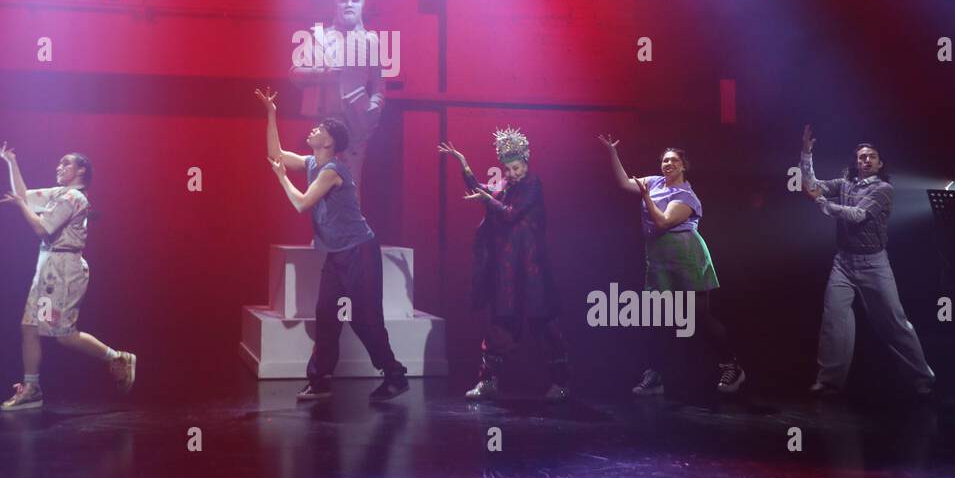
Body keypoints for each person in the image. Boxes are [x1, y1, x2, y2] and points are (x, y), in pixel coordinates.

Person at [256, 87, 408, 401]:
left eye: (319, 129)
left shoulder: (333, 171)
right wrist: (271, 113)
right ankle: (321, 379)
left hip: (360, 252)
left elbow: (301, 204)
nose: (312, 131)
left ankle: (395, 374)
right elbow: (276, 154)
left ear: (329, 142)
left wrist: (282, 177)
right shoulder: (313, 163)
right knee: (327, 315)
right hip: (336, 256)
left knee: (365, 320)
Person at [0, 143, 135, 411]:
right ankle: (32, 388)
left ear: (82, 170)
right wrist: (11, 161)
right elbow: (22, 194)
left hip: (64, 269)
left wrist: (22, 206)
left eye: (66, 163)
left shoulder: (74, 198)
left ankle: (118, 358)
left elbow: (42, 229)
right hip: (48, 266)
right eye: (59, 164)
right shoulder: (60, 193)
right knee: (30, 327)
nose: (59, 167)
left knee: (63, 334)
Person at [600, 135, 745, 395]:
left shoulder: (685, 195)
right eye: (665, 160)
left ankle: (731, 365)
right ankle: (655, 375)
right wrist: (612, 153)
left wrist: (646, 198)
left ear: (683, 165)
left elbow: (664, 222)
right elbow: (623, 183)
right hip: (659, 258)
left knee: (700, 317)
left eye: (674, 160)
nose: (668, 164)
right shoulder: (654, 182)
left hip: (686, 255)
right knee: (658, 320)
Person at [800, 125, 934, 396]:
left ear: (879, 162)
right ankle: (829, 381)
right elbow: (813, 186)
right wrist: (806, 154)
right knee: (834, 320)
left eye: (871, 156)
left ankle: (922, 378)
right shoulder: (847, 182)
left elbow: (857, 215)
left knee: (894, 322)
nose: (866, 160)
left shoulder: (884, 189)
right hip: (844, 263)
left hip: (873, 263)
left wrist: (823, 204)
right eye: (862, 156)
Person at [440, 128, 570, 401]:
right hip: (508, 270)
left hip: (531, 269)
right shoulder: (505, 188)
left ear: (526, 164)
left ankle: (559, 383)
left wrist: (488, 199)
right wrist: (463, 164)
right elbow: (482, 191)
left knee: (543, 323)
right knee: (499, 324)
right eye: (508, 169)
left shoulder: (533, 186)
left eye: (516, 167)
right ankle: (488, 381)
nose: (512, 173)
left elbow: (510, 214)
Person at [289, 0, 385, 197]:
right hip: (325, 120)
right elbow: (295, 73)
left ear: (362, 6)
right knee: (321, 183)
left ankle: (351, 230)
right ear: (335, 5)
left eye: (355, 0)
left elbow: (379, 86)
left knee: (352, 184)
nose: (349, 4)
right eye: (343, 0)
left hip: (357, 120)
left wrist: (375, 106)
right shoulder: (320, 37)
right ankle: (324, 230)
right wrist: (322, 73)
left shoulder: (370, 40)